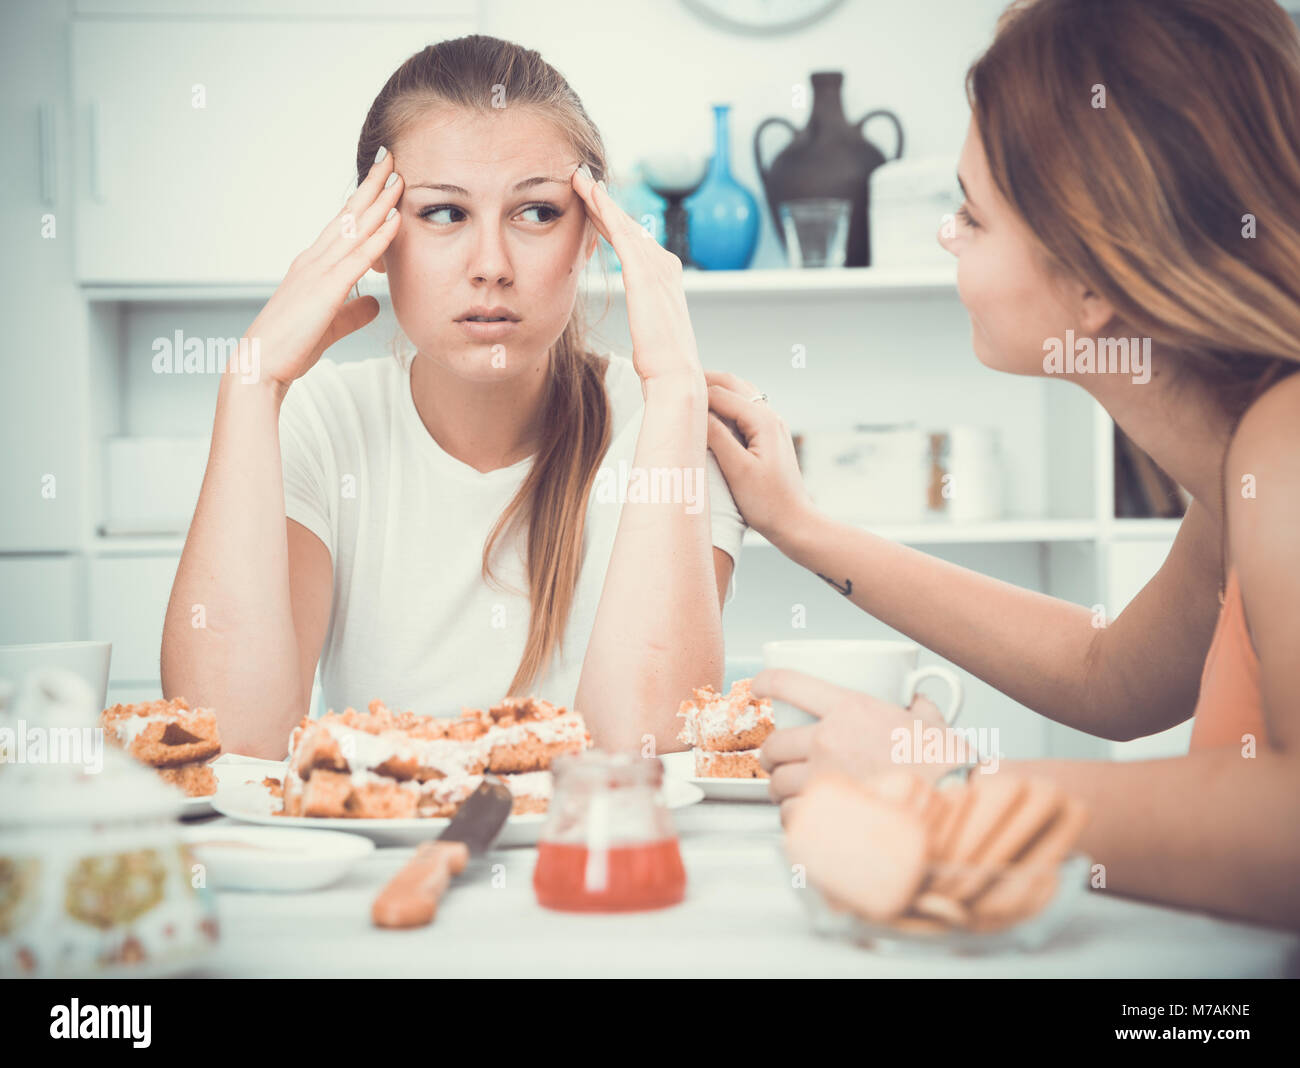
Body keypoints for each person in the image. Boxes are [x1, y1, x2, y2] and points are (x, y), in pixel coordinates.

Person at [705, 0, 1300, 930]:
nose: (946, 234)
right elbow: (1110, 677)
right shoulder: (1244, 471)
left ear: (1096, 279)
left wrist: (944, 783)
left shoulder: (1288, 439)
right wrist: (800, 526)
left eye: (971, 216)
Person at [161, 35, 744, 758]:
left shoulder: (669, 426)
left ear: (594, 236)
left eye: (536, 213)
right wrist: (248, 387)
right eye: (444, 213)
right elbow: (230, 745)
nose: (491, 267)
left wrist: (679, 388)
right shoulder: (322, 423)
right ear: (375, 237)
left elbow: (642, 752)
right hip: (375, 867)